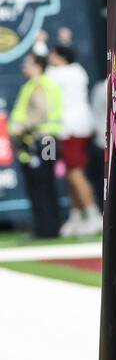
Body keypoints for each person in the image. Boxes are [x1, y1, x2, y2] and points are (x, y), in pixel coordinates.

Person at [47, 43, 101, 236]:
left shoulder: (58, 75)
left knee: (74, 172)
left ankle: (93, 214)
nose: (50, 59)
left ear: (61, 58)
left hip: (70, 127)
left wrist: (38, 45)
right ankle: (77, 215)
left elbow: (43, 74)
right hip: (82, 125)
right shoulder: (78, 70)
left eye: (53, 56)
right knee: (72, 171)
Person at [9, 53, 63, 240]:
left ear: (38, 66)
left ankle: (46, 229)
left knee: (41, 182)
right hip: (46, 139)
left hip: (43, 140)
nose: (24, 67)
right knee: (44, 182)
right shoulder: (38, 84)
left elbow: (39, 112)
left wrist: (19, 128)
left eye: (28, 64)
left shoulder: (39, 85)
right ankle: (48, 227)